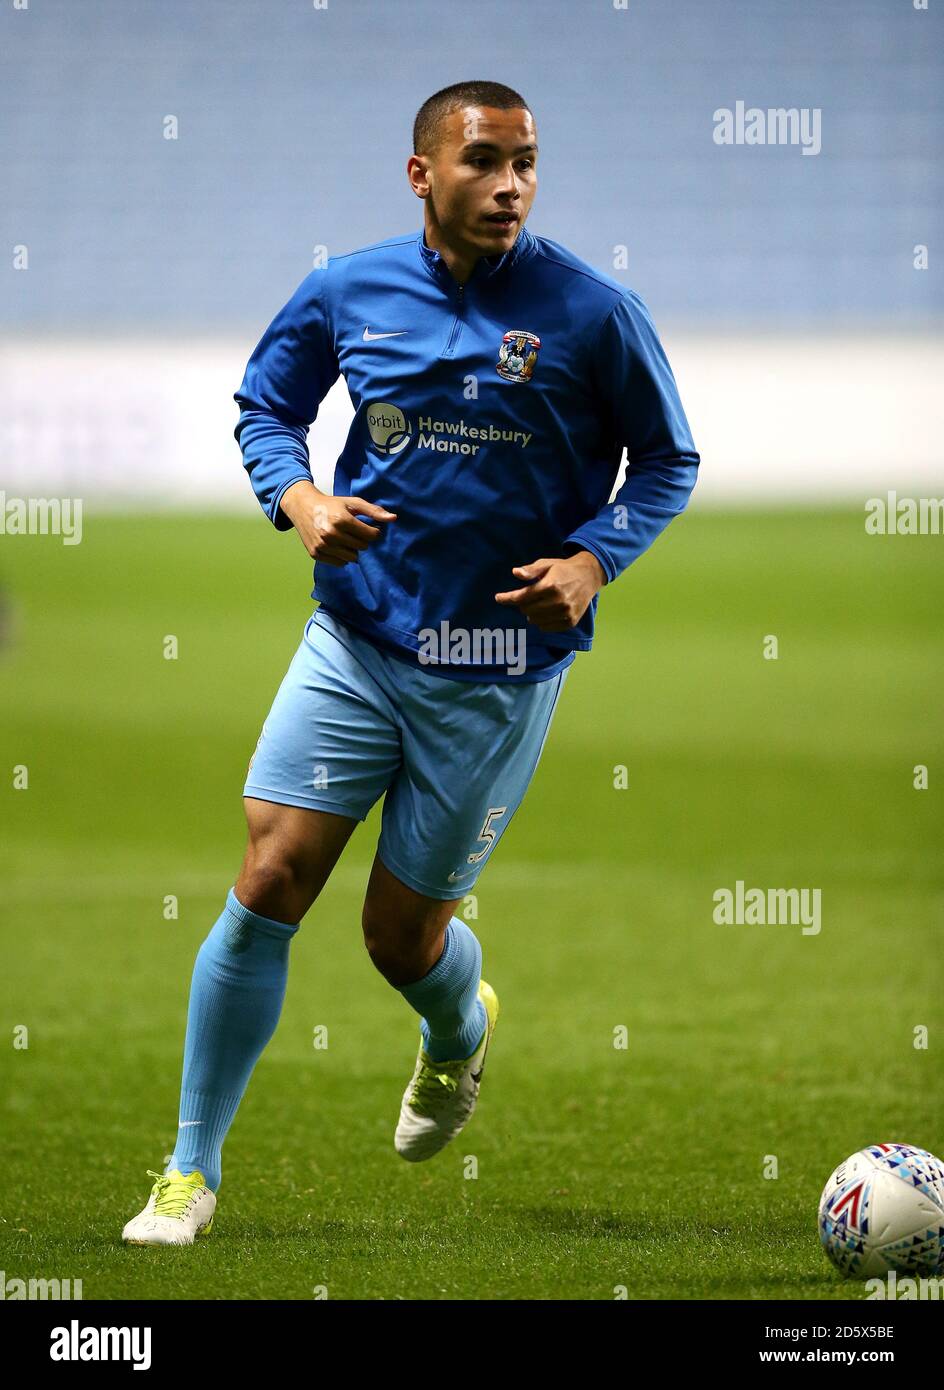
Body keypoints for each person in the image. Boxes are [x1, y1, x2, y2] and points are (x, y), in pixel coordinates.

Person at [122, 79, 699, 1246]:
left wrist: (593, 558)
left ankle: (455, 1028)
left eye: (525, 162)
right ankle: (188, 1171)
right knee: (272, 872)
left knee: (400, 940)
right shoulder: (348, 287)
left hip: (492, 669)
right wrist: (296, 498)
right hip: (357, 637)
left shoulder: (592, 311)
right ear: (421, 173)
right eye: (483, 160)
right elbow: (263, 405)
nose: (510, 185)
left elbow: (668, 460)